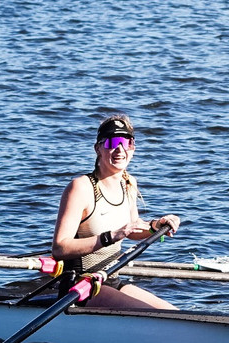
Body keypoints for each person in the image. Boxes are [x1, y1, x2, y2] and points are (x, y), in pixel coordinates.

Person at [50, 115, 180, 309]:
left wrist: (156, 226)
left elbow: (133, 229)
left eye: (126, 142)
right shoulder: (81, 187)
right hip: (80, 287)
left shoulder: (129, 183)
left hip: (111, 280)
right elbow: (60, 248)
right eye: (112, 142)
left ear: (133, 148)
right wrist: (110, 236)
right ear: (98, 149)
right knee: (155, 315)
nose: (120, 149)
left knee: (171, 312)